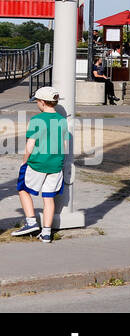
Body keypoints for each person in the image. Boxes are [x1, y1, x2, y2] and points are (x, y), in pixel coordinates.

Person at [11, 86, 68, 243]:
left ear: (42, 102)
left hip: (37, 162)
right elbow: (64, 144)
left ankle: (31, 223)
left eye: (37, 100)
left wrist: (24, 160)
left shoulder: (37, 120)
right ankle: (46, 233)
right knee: (48, 197)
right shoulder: (62, 121)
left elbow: (31, 144)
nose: (37, 103)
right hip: (56, 164)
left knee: (22, 189)